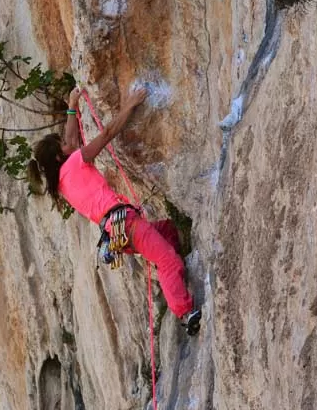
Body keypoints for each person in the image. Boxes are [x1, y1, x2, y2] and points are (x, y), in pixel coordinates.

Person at [27, 87, 201, 336]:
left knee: (166, 230)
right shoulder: (76, 161)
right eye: (64, 144)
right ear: (58, 156)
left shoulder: (63, 184)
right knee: (167, 260)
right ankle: (184, 312)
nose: (70, 142)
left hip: (116, 234)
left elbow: (71, 140)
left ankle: (174, 278)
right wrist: (130, 105)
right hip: (126, 223)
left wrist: (72, 104)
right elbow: (107, 133)